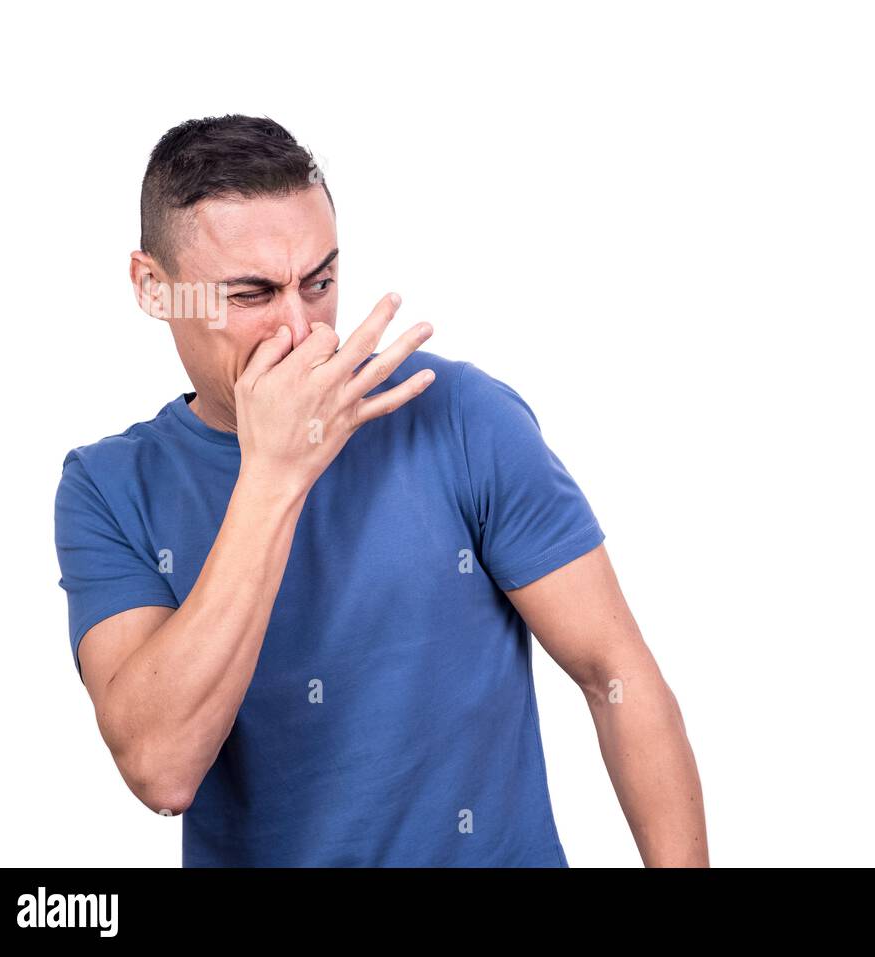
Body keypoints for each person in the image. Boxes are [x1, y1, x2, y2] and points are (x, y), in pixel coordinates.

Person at [53, 114, 707, 867]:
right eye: (253, 293)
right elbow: (161, 767)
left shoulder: (461, 417)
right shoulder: (107, 488)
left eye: (321, 281)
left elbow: (615, 675)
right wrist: (274, 474)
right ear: (155, 290)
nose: (301, 330)